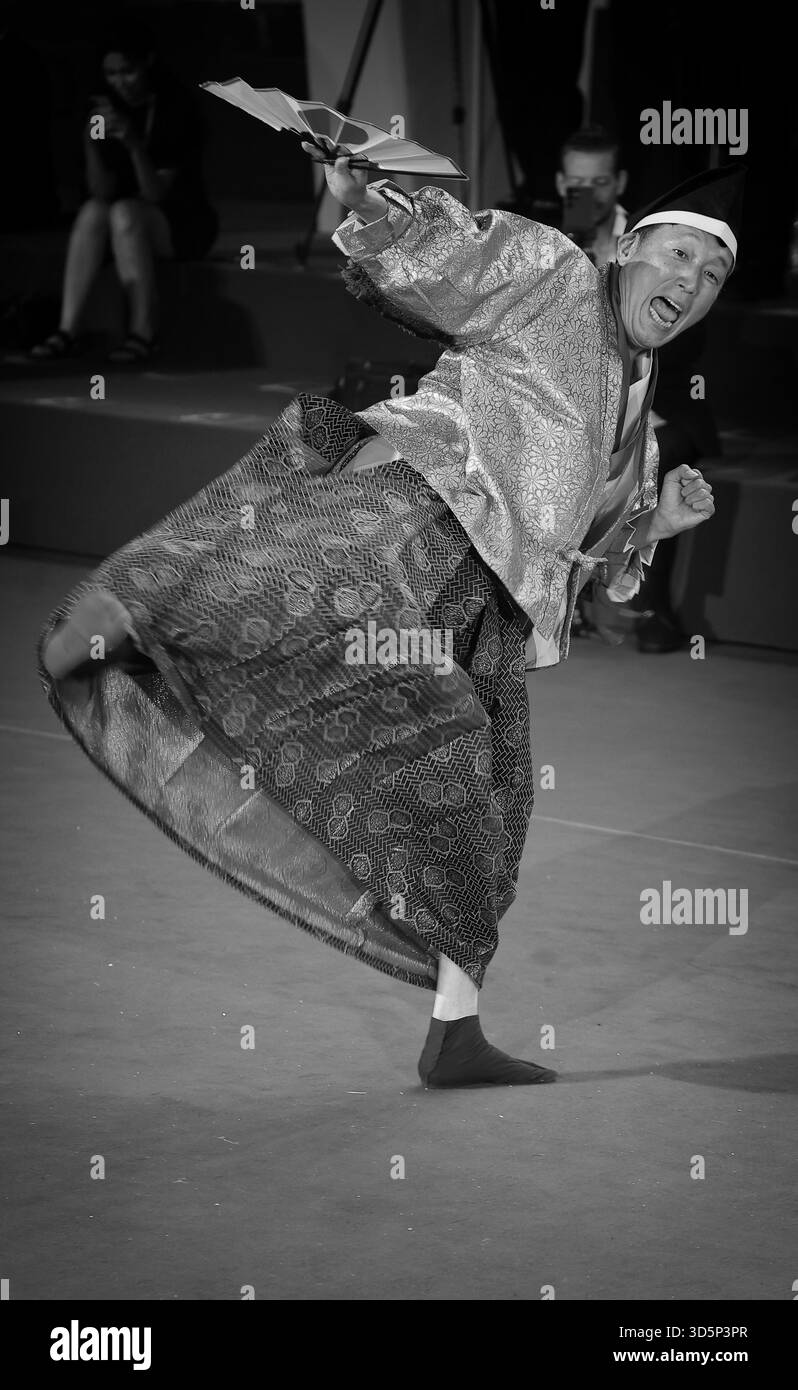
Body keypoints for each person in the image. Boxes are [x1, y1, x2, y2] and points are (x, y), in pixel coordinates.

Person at [37, 150, 742, 1089]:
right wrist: (367, 195)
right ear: (629, 246)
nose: (690, 283)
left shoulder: (641, 419)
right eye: (679, 256)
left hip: (485, 611)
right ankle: (131, 610)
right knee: (285, 586)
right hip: (420, 510)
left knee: (488, 812)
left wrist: (658, 520)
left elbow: (580, 569)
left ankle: (456, 1033)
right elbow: (451, 252)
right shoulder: (556, 277)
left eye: (713, 275)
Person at [555, 127, 723, 652]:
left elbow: (678, 344)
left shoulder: (660, 239)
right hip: (561, 407)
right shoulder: (542, 250)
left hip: (659, 406)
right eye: (576, 184)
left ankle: (634, 608)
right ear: (561, 182)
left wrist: (653, 526)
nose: (692, 279)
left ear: (619, 181)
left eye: (600, 182)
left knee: (655, 456)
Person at [29, 20, 217, 365]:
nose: (120, 82)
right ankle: (68, 329)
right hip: (123, 221)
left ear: (147, 62)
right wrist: (89, 142)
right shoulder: (103, 108)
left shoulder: (175, 107)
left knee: (123, 212)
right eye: (111, 73)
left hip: (181, 222)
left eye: (127, 71)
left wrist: (133, 145)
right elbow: (100, 191)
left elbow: (156, 194)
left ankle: (144, 332)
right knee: (93, 212)